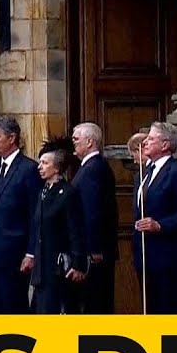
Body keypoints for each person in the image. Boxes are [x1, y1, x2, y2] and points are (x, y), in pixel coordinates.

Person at [132, 121, 177, 314]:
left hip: (168, 254)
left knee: (168, 307)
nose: (145, 143)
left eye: (151, 139)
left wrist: (160, 225)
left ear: (165, 145)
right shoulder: (144, 173)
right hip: (145, 253)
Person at [0, 116, 42, 313]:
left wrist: (31, 252)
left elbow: (35, 213)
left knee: (14, 307)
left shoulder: (28, 169)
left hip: (16, 254)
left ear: (12, 138)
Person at [29, 143, 88, 313]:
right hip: (42, 265)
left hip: (59, 266)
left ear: (57, 168)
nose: (40, 167)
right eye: (40, 163)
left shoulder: (67, 193)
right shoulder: (43, 192)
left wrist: (78, 264)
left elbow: (75, 230)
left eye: (45, 163)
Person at [70, 122, 119, 313]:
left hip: (94, 253)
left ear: (89, 142)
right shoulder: (89, 167)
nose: (73, 142)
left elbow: (93, 211)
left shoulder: (93, 168)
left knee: (97, 303)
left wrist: (94, 249)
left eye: (76, 139)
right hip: (92, 250)